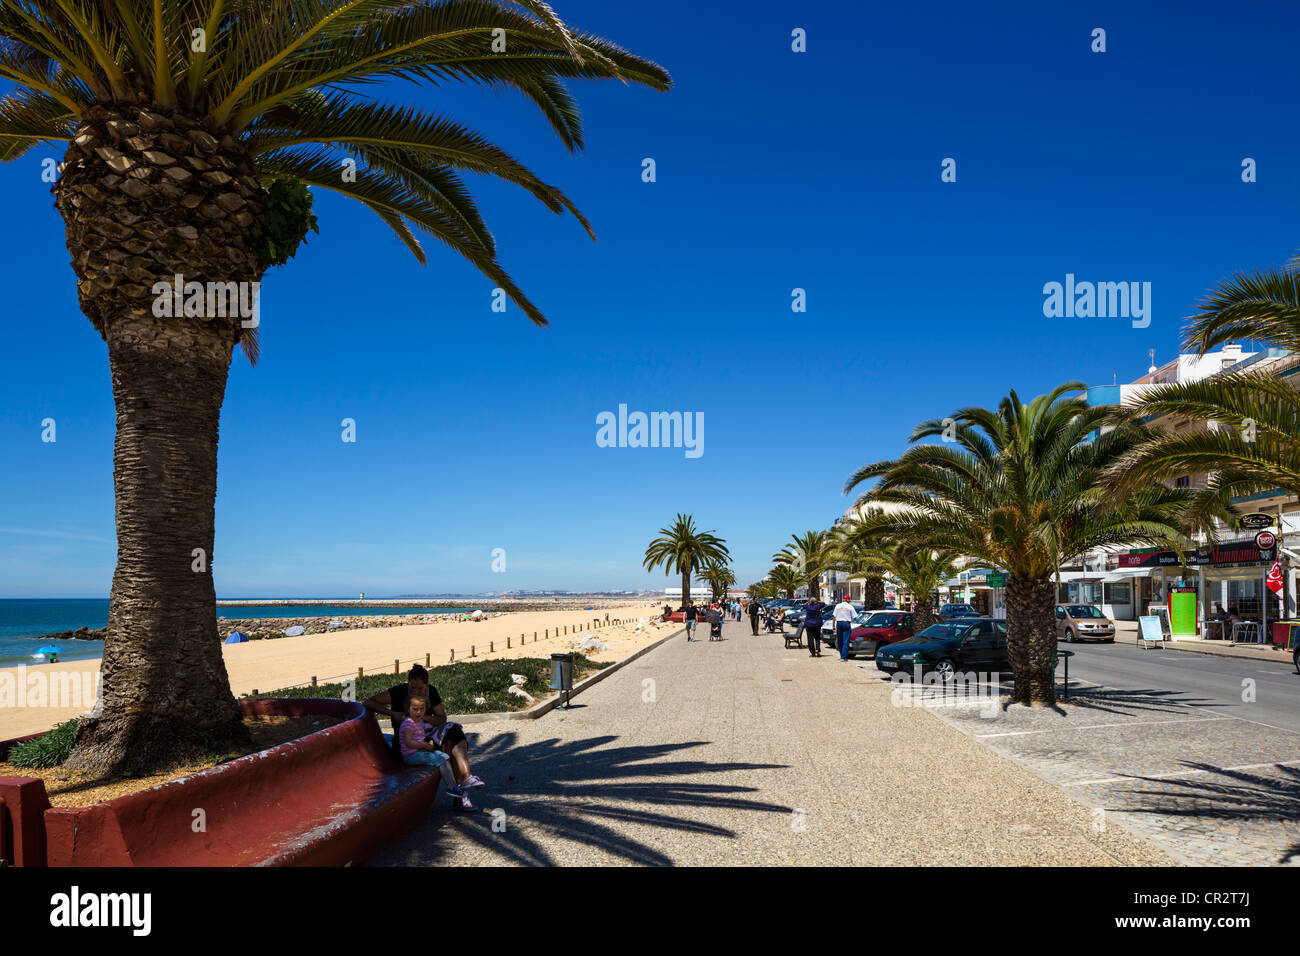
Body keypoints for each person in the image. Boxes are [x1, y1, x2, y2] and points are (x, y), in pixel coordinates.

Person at [364, 665, 485, 809]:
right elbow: (368, 702)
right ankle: (460, 796)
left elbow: (441, 718)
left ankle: (466, 778)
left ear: (426, 686)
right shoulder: (398, 692)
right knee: (444, 753)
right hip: (407, 742)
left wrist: (423, 718)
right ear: (407, 683)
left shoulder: (431, 692)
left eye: (420, 688)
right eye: (412, 687)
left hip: (426, 734)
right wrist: (392, 714)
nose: (415, 691)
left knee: (453, 735)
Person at [399, 694, 478, 814]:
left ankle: (454, 786)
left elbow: (423, 732)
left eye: (422, 709)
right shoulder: (408, 723)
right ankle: (452, 787)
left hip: (418, 752)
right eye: (415, 709)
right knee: (442, 759)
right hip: (411, 755)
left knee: (444, 757)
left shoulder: (418, 721)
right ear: (408, 708)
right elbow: (409, 742)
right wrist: (425, 745)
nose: (418, 712)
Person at [832, 593, 856, 661]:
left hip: (839, 623)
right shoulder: (850, 606)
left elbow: (834, 616)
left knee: (840, 640)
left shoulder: (838, 606)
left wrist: (833, 626)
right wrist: (850, 619)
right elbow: (854, 617)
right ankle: (843, 657)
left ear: (843, 599)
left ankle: (841, 655)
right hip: (846, 623)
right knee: (846, 640)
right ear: (848, 600)